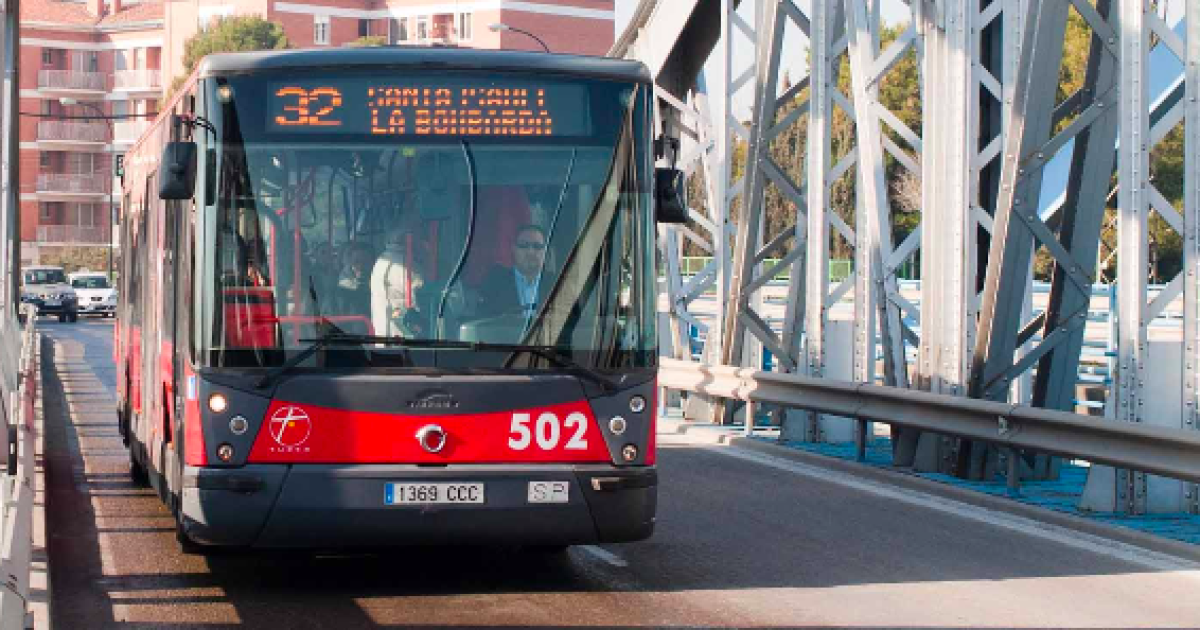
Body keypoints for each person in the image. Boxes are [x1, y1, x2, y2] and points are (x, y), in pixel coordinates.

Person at [478, 224, 549, 321]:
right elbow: (483, 323)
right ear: (513, 249)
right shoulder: (494, 283)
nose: (530, 252)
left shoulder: (558, 283)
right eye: (523, 245)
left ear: (545, 251)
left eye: (537, 246)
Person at [370, 228, 425, 337]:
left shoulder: (381, 260)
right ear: (410, 240)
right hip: (403, 336)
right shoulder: (409, 267)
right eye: (421, 237)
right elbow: (421, 303)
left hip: (382, 332)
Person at [336, 241, 375, 316]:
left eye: (365, 262)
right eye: (356, 262)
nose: (360, 266)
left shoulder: (381, 281)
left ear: (373, 262)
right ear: (350, 262)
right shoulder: (343, 285)